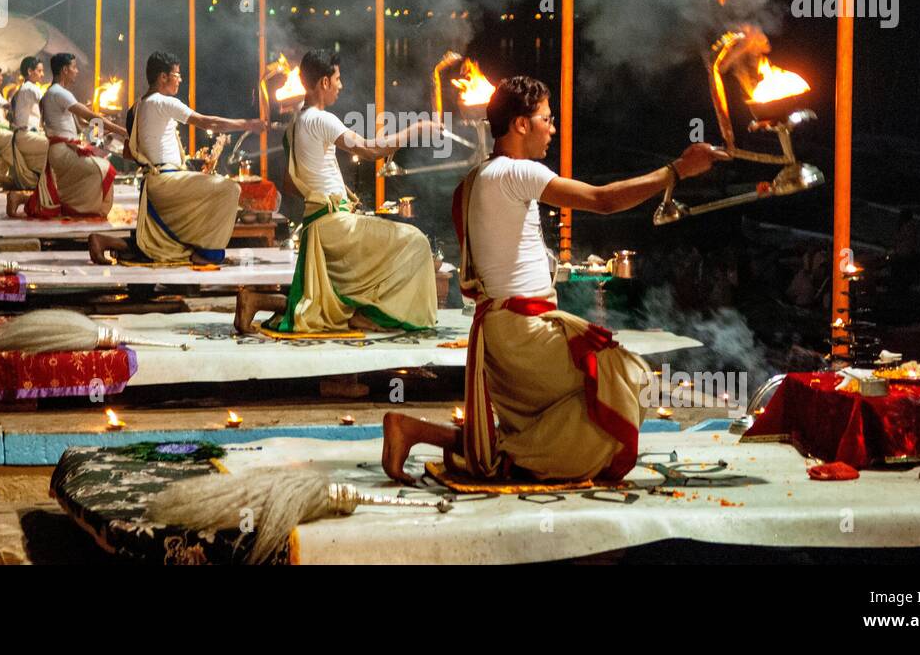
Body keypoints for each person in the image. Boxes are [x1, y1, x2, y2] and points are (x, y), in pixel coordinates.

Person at [380, 75, 727, 486]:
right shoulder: (517, 171)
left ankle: (415, 430)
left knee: (560, 420)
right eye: (547, 118)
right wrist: (678, 171)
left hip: (503, 332)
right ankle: (510, 458)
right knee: (623, 376)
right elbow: (604, 200)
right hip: (524, 335)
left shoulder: (476, 179)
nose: (553, 128)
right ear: (521, 124)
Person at [233, 49, 440, 335]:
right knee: (416, 242)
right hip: (335, 227)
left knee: (319, 302)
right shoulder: (322, 119)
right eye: (338, 79)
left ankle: (254, 300)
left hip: (316, 225)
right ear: (324, 83)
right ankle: (372, 316)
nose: (341, 86)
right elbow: (370, 149)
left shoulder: (293, 126)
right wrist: (417, 129)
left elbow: (290, 183)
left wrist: (328, 193)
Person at [89, 51, 269, 266]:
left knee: (162, 246)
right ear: (163, 77)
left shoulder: (137, 107)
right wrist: (248, 124)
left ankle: (102, 241)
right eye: (177, 74)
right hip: (167, 182)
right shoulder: (164, 102)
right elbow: (207, 123)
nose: (180, 79)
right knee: (230, 189)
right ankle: (208, 253)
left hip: (154, 183)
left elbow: (131, 151)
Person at [8, 53, 126, 219]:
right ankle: (81, 209)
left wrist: (106, 130)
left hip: (62, 149)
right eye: (74, 67)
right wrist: (122, 131)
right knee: (104, 169)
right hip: (63, 152)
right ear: (64, 70)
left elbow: (81, 127)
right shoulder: (59, 92)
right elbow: (91, 117)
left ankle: (22, 198)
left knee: (75, 187)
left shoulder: (54, 92)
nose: (77, 71)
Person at [6, 56, 49, 191]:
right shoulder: (31, 88)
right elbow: (49, 108)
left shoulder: (24, 88)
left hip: (22, 136)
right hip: (26, 136)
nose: (42, 74)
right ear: (30, 71)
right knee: (58, 147)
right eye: (39, 71)